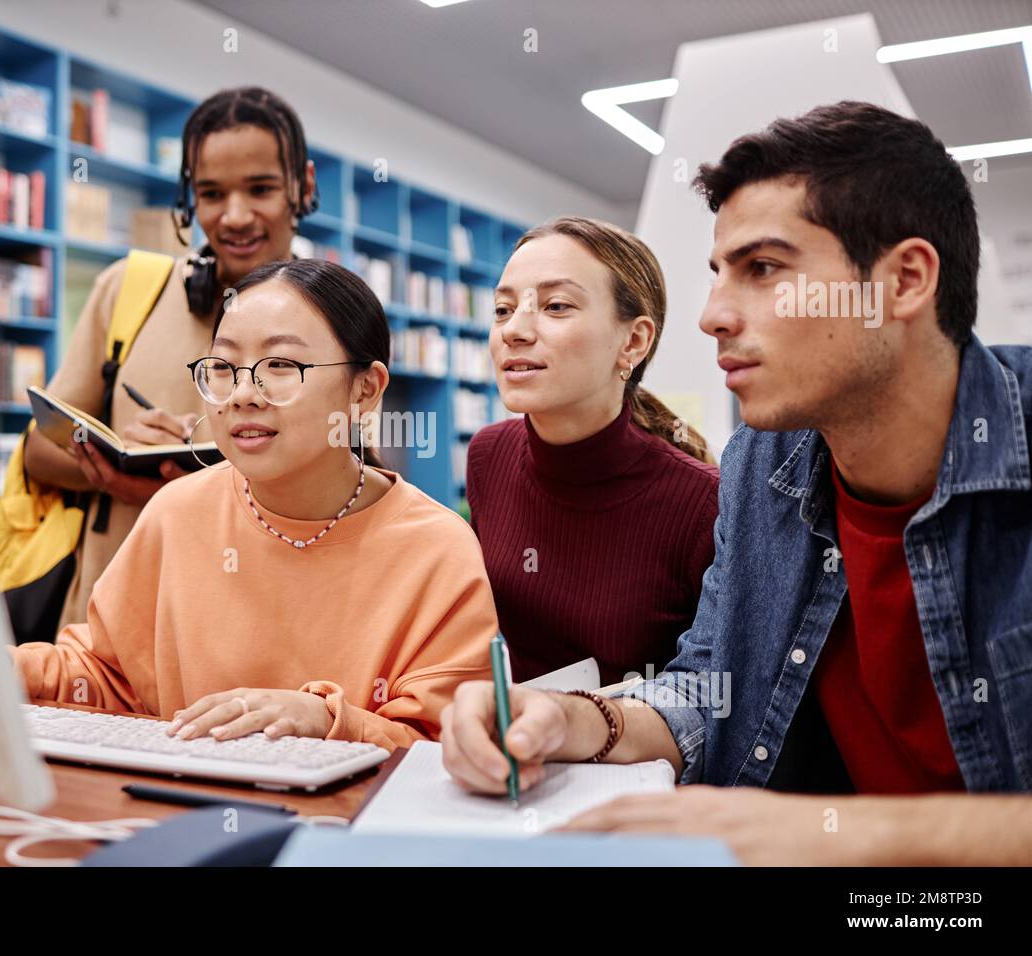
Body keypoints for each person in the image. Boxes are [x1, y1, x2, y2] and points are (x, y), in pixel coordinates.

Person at [441, 101, 1032, 865]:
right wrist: (576, 718)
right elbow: (703, 690)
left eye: (763, 269)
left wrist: (848, 835)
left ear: (905, 280)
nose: (714, 315)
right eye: (720, 274)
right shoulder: (764, 462)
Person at [11, 259, 497, 750]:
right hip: (181, 809)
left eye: (281, 366)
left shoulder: (437, 550)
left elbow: (450, 747)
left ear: (364, 390)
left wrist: (327, 721)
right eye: (223, 368)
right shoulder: (176, 512)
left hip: (348, 823)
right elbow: (106, 677)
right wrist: (10, 668)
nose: (242, 395)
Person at [25, 86, 319, 633]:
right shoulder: (127, 291)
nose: (234, 216)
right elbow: (39, 451)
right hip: (106, 626)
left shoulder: (334, 318)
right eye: (211, 193)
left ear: (302, 186)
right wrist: (116, 464)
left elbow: (349, 485)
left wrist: (200, 475)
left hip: (261, 627)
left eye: (260, 189)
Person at [470, 216, 717, 683]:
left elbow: (712, 690)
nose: (514, 331)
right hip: (515, 744)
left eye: (556, 306)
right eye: (502, 310)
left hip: (640, 751)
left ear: (634, 341)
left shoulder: (704, 501)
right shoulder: (488, 456)